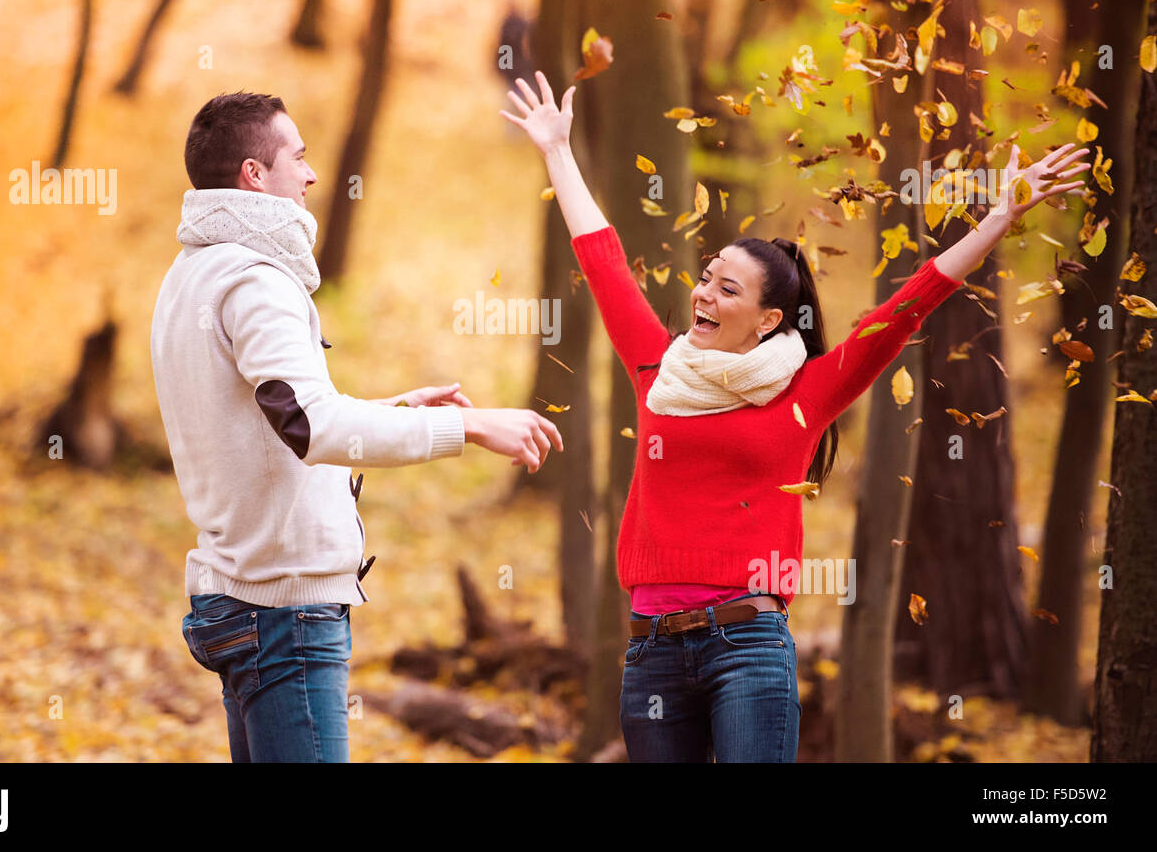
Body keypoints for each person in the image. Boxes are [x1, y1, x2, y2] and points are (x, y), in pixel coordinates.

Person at [500, 70, 1087, 763]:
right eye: (706, 276)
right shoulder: (658, 369)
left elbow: (904, 311)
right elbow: (603, 262)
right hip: (651, 647)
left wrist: (999, 218)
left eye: (727, 287)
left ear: (769, 318)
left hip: (746, 647)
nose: (704, 293)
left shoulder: (806, 391)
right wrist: (557, 150)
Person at [150, 91, 563, 762]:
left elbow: (277, 417)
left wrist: (399, 412)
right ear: (255, 174)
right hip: (281, 612)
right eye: (299, 157)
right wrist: (472, 428)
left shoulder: (193, 273)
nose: (312, 176)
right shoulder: (256, 281)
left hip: (243, 599)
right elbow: (312, 427)